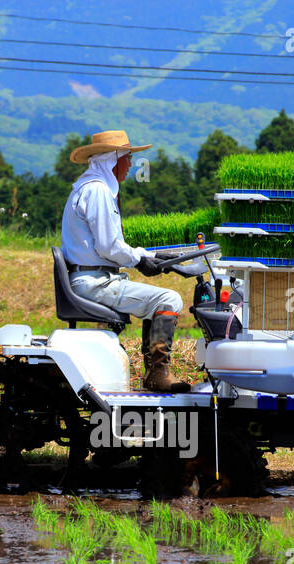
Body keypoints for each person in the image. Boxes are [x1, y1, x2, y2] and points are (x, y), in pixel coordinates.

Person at [60, 130, 189, 393]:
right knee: (169, 300)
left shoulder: (91, 186)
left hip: (92, 277)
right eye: (127, 158)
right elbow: (109, 247)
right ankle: (157, 375)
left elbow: (110, 246)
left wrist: (148, 256)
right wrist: (139, 261)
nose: (131, 164)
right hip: (95, 283)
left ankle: (154, 373)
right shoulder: (97, 191)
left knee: (162, 299)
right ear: (113, 159)